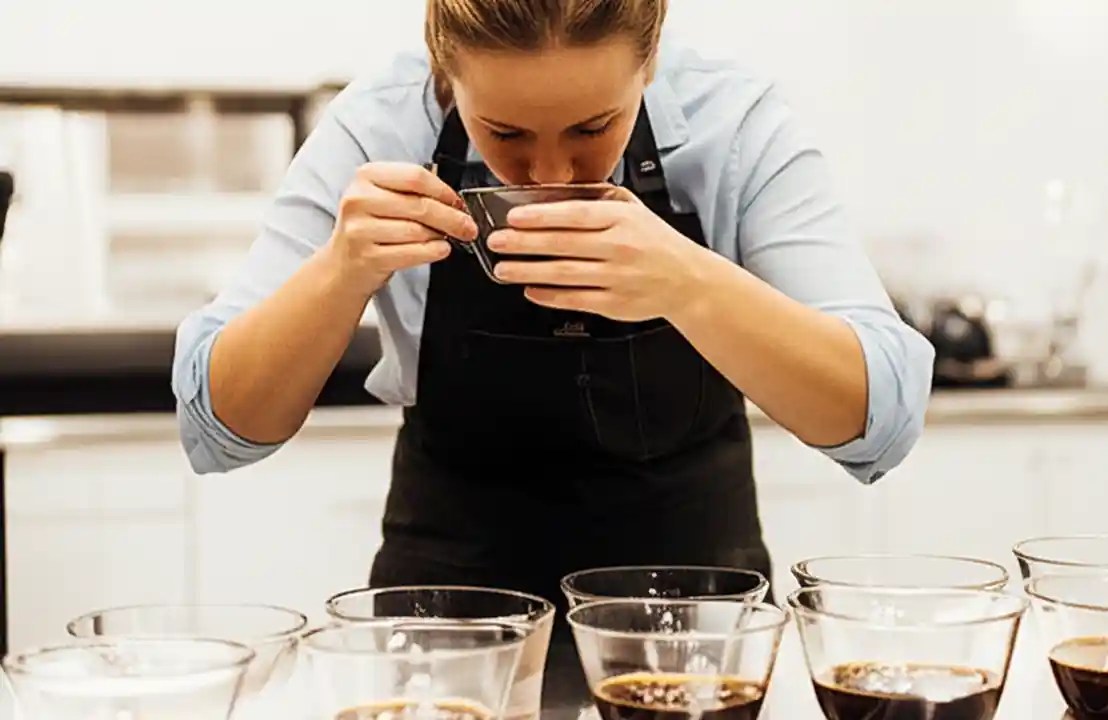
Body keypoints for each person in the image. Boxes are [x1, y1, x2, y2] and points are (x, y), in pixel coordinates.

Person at [173, 0, 934, 711]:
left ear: (651, 58)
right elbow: (220, 428)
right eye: (504, 134)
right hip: (449, 635)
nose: (550, 176)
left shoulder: (732, 125)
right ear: (444, 67)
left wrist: (691, 283)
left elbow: (880, 419)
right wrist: (340, 269)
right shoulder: (379, 125)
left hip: (692, 628)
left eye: (591, 127)